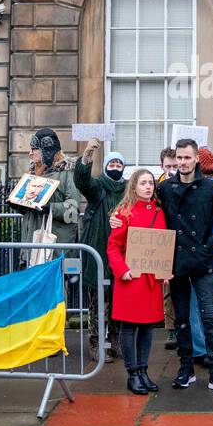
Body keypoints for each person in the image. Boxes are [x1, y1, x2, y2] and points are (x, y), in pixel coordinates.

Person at [160, 139, 213, 393]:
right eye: (179, 158)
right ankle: (186, 370)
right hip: (177, 262)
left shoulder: (211, 188)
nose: (182, 162)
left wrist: (209, 246)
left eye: (186, 158)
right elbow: (145, 210)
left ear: (196, 159)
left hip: (203, 262)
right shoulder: (166, 189)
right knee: (182, 319)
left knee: (210, 319)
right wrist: (119, 217)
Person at [106, 168, 167, 395]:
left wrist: (165, 270)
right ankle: (132, 373)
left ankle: (143, 370)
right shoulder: (123, 213)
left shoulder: (159, 211)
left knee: (147, 327)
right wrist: (121, 270)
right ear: (134, 186)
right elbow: (113, 246)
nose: (148, 187)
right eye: (143, 183)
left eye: (150, 183)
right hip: (131, 278)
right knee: (130, 326)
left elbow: (163, 244)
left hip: (151, 279)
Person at [75, 141, 127, 359]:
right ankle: (96, 341)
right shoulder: (98, 187)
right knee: (97, 298)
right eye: (112, 163)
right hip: (98, 247)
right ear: (105, 166)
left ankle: (115, 339)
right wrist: (87, 155)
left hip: (121, 251)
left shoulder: (128, 189)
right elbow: (82, 181)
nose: (115, 167)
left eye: (119, 164)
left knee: (119, 297)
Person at [156, 145, 180, 348]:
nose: (172, 169)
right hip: (163, 241)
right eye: (168, 166)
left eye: (175, 165)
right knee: (168, 288)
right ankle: (171, 329)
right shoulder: (155, 187)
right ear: (161, 166)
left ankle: (185, 328)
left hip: (183, 241)